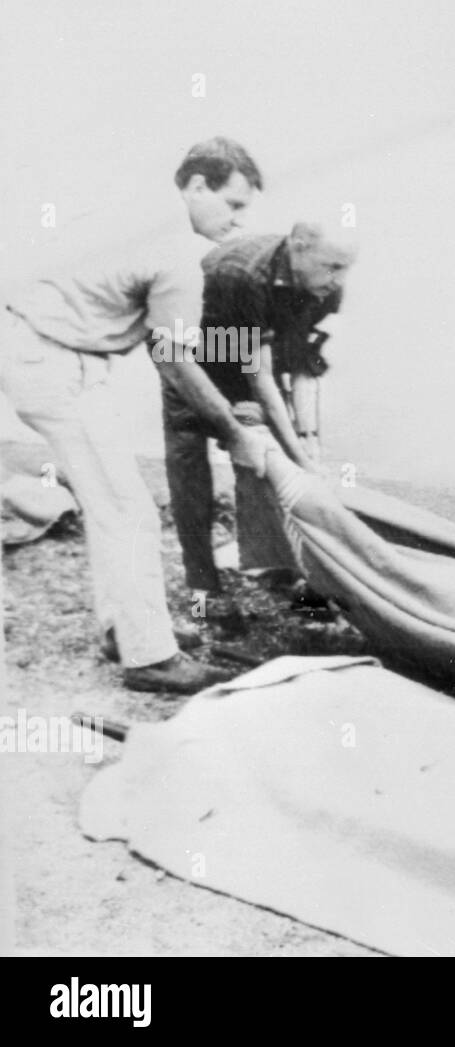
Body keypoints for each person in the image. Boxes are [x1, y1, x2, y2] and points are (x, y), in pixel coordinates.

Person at [0, 137, 267, 692]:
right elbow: (176, 363)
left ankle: (126, 628)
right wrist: (233, 429)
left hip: (45, 346)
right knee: (128, 510)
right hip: (50, 357)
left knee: (111, 503)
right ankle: (150, 659)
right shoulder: (175, 255)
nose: (238, 222)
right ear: (196, 185)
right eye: (233, 204)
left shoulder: (139, 213)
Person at [163, 219, 357, 628]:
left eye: (345, 268)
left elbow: (302, 367)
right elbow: (258, 377)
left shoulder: (324, 282)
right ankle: (204, 589)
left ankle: (284, 573)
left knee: (264, 460)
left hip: (252, 353)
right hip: (197, 351)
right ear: (299, 247)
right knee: (189, 465)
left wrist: (308, 439)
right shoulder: (242, 275)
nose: (339, 279)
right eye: (333, 266)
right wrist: (300, 455)